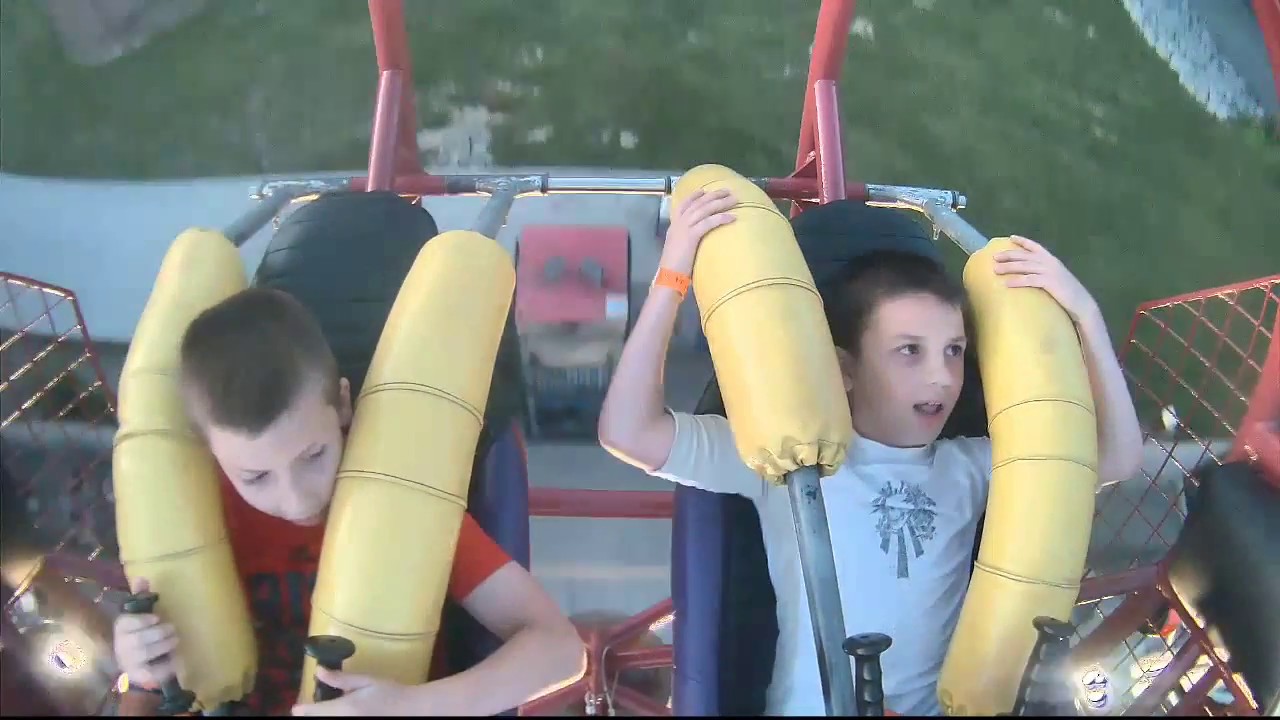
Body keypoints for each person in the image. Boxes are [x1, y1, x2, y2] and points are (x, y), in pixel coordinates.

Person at [597, 189, 1145, 715]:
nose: (941, 378)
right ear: (845, 369)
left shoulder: (972, 467)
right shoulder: (786, 456)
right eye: (910, 351)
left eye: (954, 352)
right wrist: (671, 278)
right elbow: (627, 431)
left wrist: (1085, 318)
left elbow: (1117, 458)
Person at [113, 288, 586, 716]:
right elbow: (146, 693)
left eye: (314, 456)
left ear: (343, 405)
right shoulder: (197, 518)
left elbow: (561, 649)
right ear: (210, 453)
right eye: (256, 477)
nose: (297, 500)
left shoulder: (403, 504)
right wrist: (142, 664)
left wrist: (417, 707)